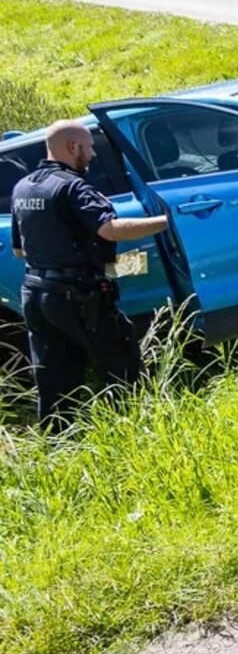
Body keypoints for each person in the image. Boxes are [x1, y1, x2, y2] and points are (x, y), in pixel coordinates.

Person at [10, 122, 168, 428]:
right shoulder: (72, 186)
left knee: (55, 378)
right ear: (73, 147)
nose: (93, 153)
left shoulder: (23, 187)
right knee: (120, 365)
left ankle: (57, 445)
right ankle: (132, 431)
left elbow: (20, 251)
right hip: (77, 295)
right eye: (89, 146)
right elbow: (108, 228)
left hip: (36, 294)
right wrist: (166, 220)